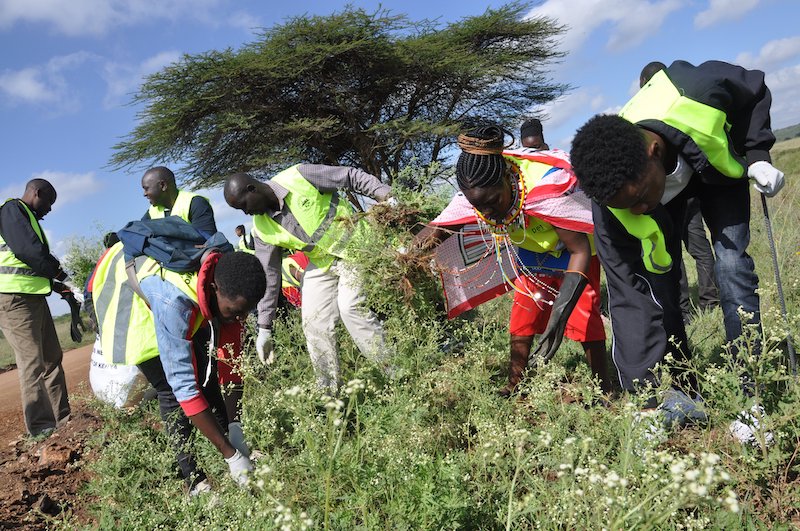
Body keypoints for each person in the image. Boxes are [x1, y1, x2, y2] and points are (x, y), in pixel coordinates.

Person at [570, 60, 785, 434]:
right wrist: (645, 397)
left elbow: (753, 91)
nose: (635, 211)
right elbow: (628, 296)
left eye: (637, 198)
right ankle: (686, 391)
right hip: (666, 196)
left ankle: (751, 396)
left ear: (654, 150)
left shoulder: (697, 90)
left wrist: (757, 154)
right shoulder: (611, 196)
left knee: (731, 265)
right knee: (661, 285)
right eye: (626, 207)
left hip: (715, 175)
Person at [414, 126, 610, 396]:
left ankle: (605, 388)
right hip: (531, 253)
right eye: (479, 207)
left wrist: (560, 316)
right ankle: (516, 384)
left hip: (576, 253)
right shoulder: (477, 191)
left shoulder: (545, 190)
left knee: (584, 316)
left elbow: (579, 252)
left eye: (494, 202)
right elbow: (441, 226)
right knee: (523, 315)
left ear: (507, 177)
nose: (488, 213)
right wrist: (404, 256)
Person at [88, 244, 266, 491]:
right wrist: (232, 456)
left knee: (208, 375)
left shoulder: (231, 292)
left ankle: (227, 440)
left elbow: (230, 365)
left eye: (246, 312)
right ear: (214, 289)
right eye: (237, 312)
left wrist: (236, 427)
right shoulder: (175, 303)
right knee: (170, 390)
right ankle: (195, 481)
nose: (242, 318)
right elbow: (184, 387)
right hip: (131, 309)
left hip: (162, 293)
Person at [224, 164, 395, 393]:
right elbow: (269, 276)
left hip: (355, 245)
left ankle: (394, 372)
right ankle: (330, 394)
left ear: (252, 188)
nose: (245, 213)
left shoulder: (298, 176)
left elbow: (349, 175)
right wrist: (264, 327)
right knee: (313, 321)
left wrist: (386, 195)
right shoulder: (262, 229)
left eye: (243, 205)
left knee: (350, 307)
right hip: (322, 261)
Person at [639, 62, 719, 322]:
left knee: (674, 252)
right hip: (688, 190)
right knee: (698, 247)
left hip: (669, 196)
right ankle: (709, 301)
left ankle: (684, 308)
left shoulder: (643, 115)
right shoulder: (680, 103)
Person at [0, 179, 77, 436]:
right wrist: (59, 275)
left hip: (33, 296)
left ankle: (63, 420)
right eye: (49, 202)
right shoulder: (12, 210)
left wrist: (59, 283)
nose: (50, 209)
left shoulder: (27, 218)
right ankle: (42, 428)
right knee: (31, 362)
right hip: (14, 299)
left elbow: (34, 260)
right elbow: (29, 252)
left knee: (51, 359)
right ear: (37, 192)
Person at [141, 166, 217, 235]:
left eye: (146, 189)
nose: (144, 194)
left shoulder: (195, 203)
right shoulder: (151, 213)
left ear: (163, 185)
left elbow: (208, 242)